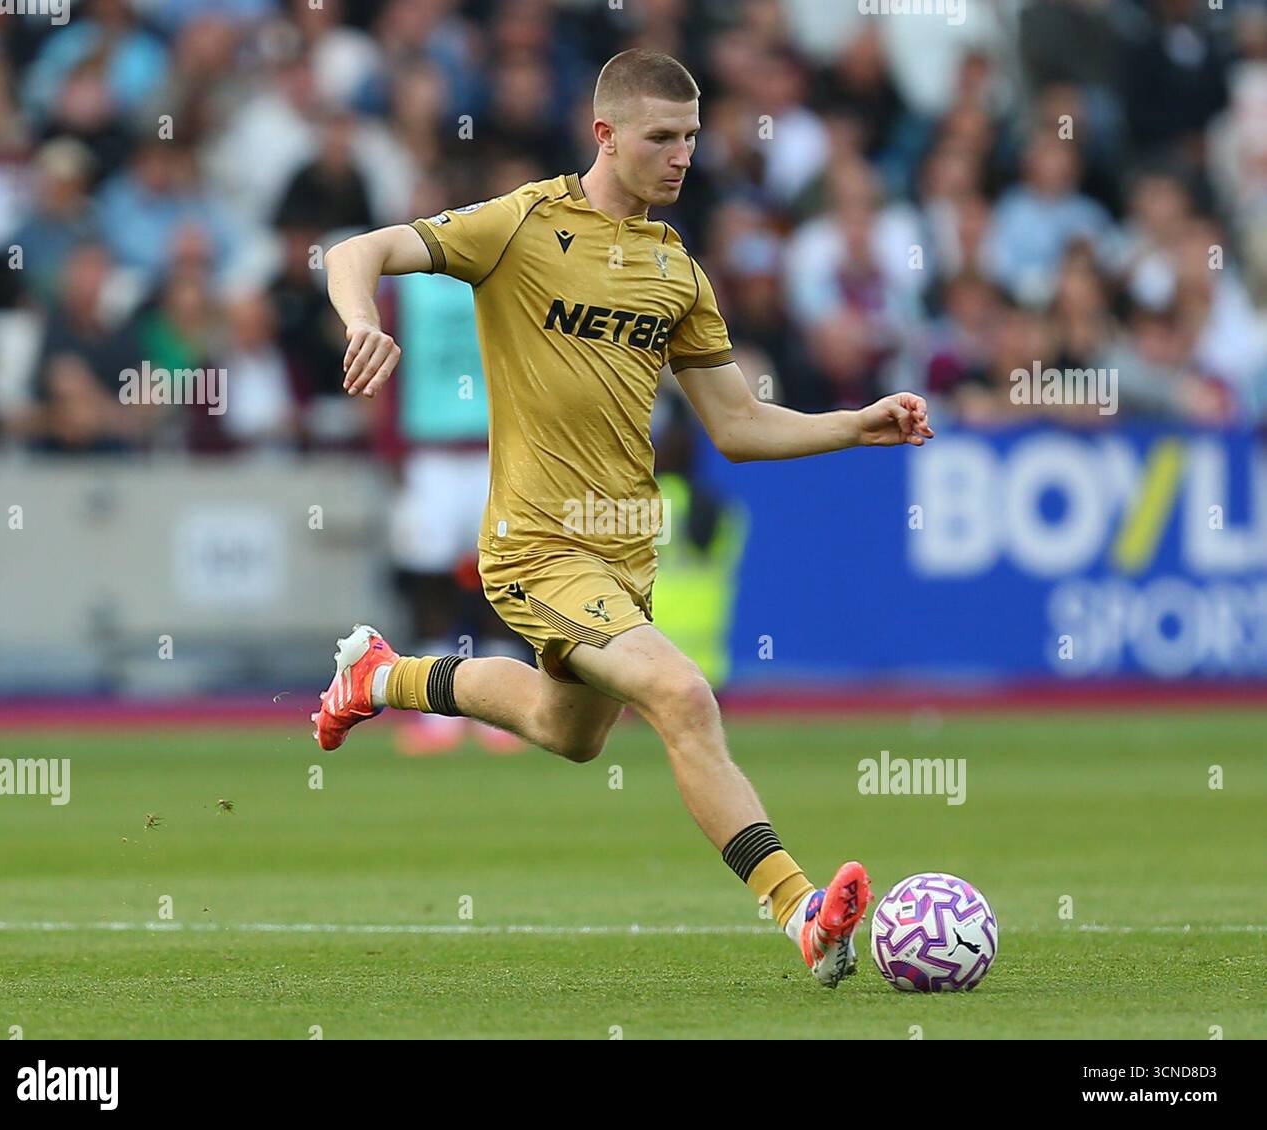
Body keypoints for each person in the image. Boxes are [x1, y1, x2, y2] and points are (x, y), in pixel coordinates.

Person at [315, 49, 934, 987]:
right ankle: (802, 911)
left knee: (571, 731)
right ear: (604, 134)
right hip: (535, 545)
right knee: (683, 695)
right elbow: (356, 250)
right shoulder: (521, 224)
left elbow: (736, 424)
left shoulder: (675, 268)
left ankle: (380, 675)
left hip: (622, 556)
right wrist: (364, 320)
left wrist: (856, 424)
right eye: (661, 138)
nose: (682, 157)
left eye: (690, 138)